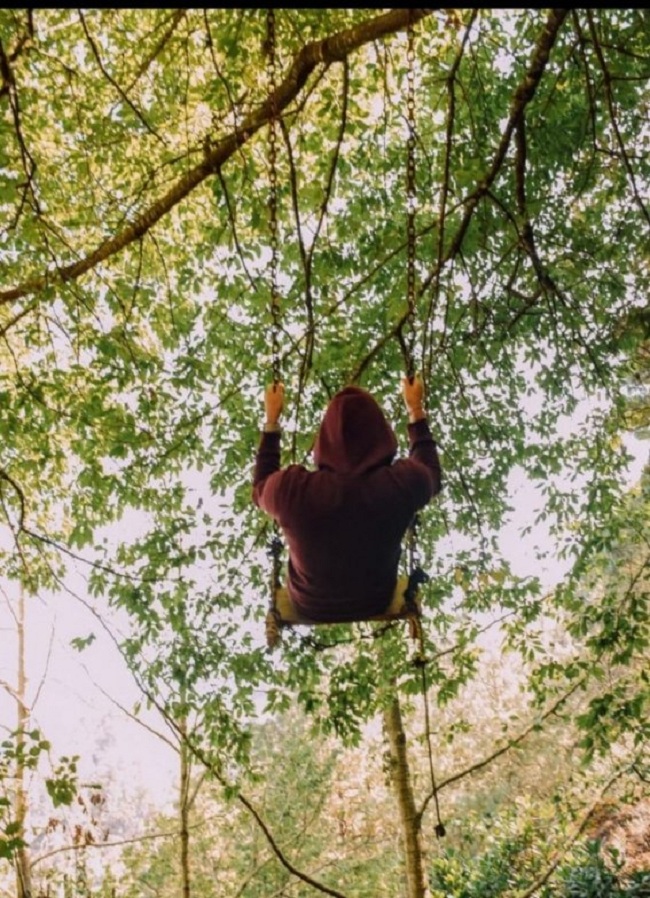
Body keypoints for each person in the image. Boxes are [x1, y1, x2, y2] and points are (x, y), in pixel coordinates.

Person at [252, 377, 442, 623]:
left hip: (310, 603)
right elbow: (432, 475)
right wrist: (415, 409)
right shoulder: (402, 484)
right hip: (374, 599)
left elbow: (259, 487)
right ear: (381, 434)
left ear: (325, 439)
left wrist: (272, 420)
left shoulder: (293, 491)